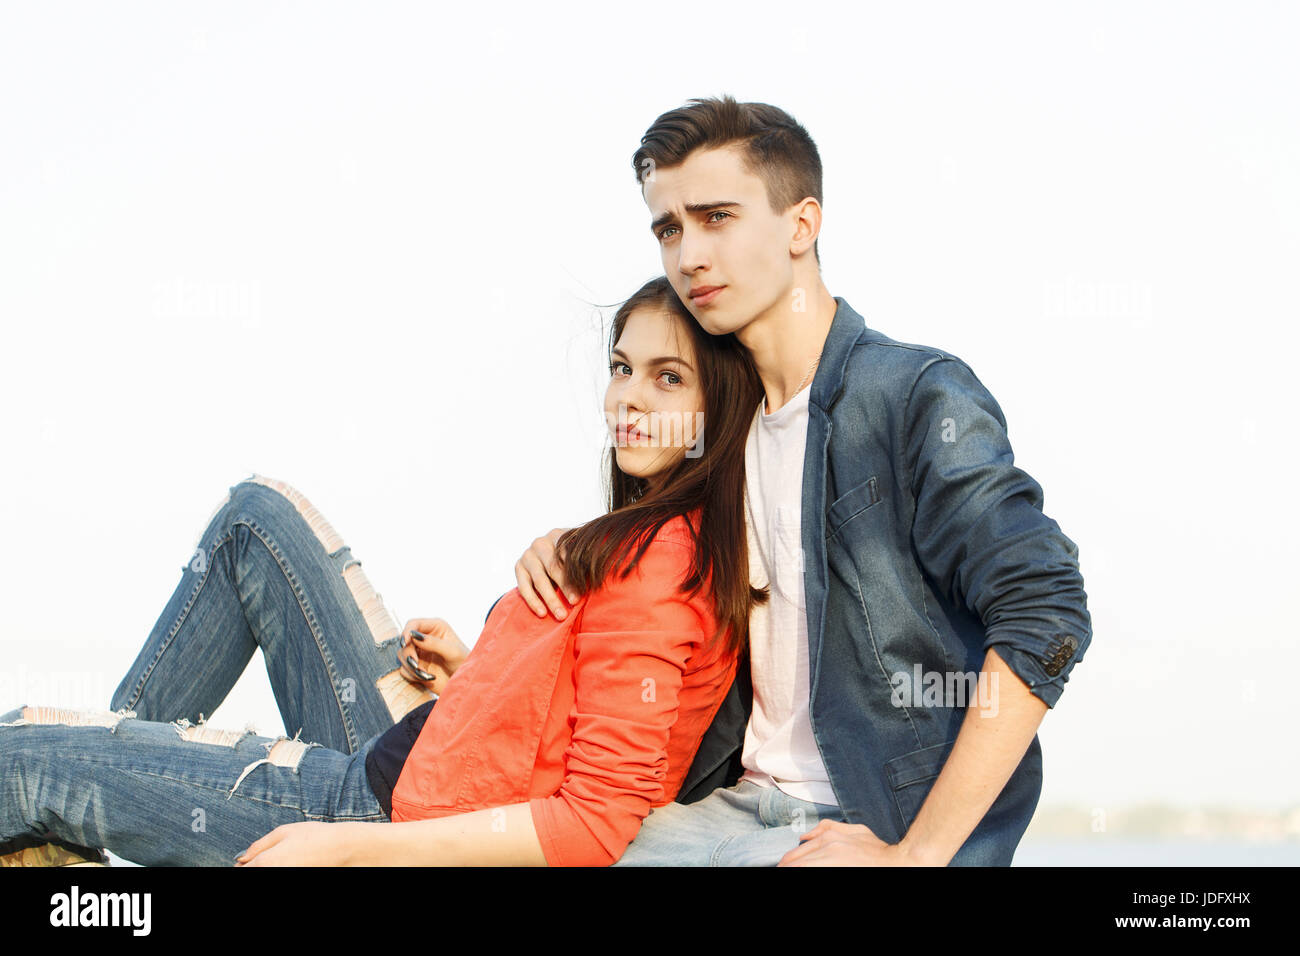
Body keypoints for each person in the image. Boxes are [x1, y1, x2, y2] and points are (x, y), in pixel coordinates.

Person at [0, 274, 766, 867]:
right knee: (255, 518)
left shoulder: (664, 562)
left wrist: (347, 847)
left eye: (669, 379)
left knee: (23, 759)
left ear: (719, 404)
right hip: (417, 764)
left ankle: (80, 810)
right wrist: (480, 673)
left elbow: (597, 822)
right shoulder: (667, 537)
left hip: (375, 817)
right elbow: (590, 714)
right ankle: (95, 800)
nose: (628, 398)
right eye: (622, 367)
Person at [513, 95, 1094, 866]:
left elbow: (1047, 610)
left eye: (717, 217)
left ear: (801, 225)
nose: (689, 256)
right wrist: (570, 553)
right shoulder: (720, 424)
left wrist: (916, 856)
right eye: (669, 228)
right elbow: (659, 610)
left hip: (862, 822)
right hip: (721, 809)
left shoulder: (913, 396)